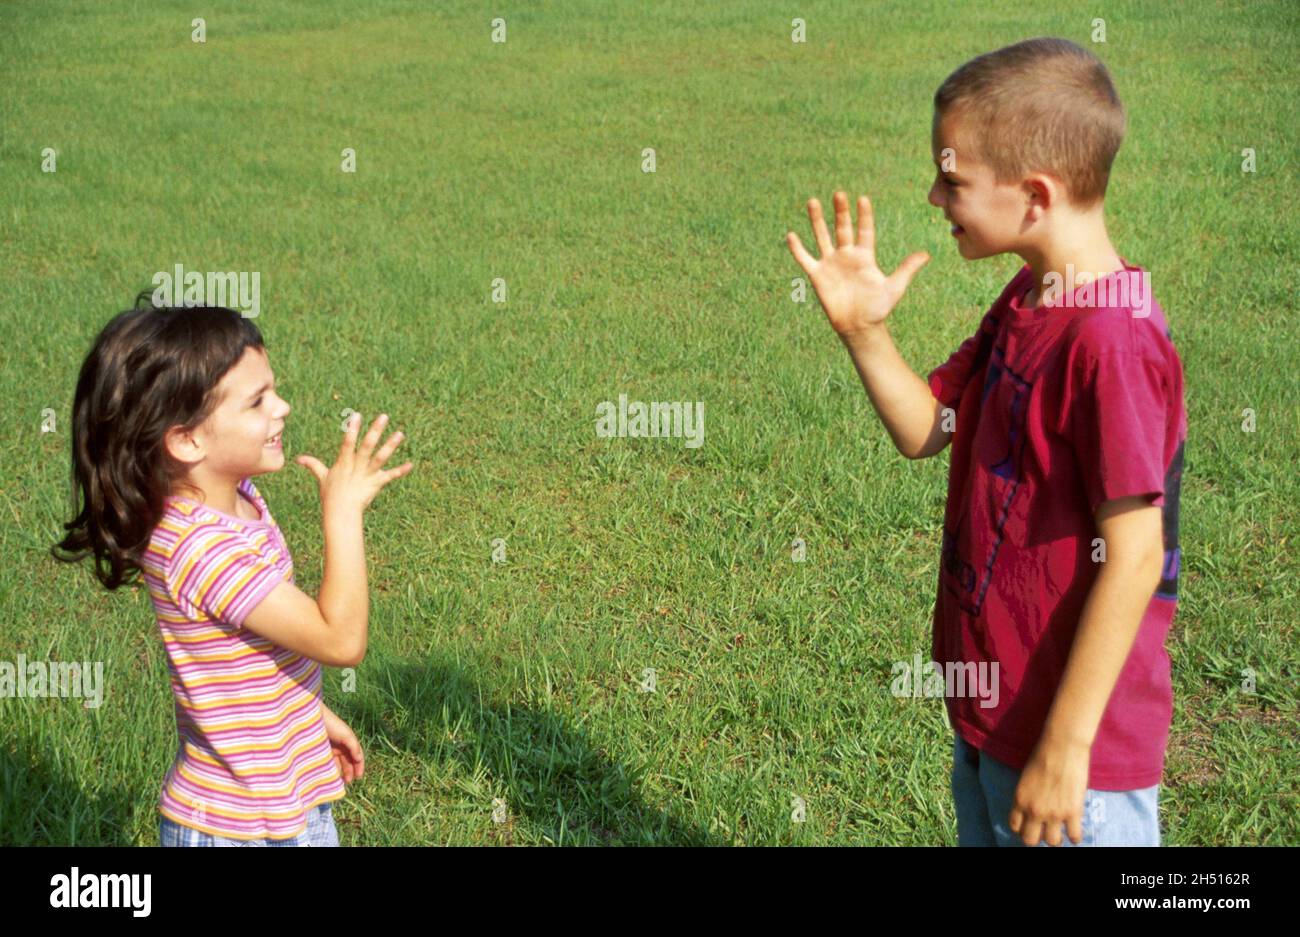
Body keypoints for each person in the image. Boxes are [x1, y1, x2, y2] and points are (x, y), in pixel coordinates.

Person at [787, 37, 1186, 846]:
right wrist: (866, 333)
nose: (934, 195)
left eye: (953, 178)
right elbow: (927, 429)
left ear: (1035, 196)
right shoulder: (1029, 297)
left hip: (1075, 757)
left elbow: (1137, 552)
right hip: (995, 717)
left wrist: (1067, 748)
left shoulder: (1110, 342)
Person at [52, 296, 412, 845]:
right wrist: (342, 513)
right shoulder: (200, 548)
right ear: (186, 438)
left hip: (286, 800)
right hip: (233, 827)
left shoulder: (237, 501)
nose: (283, 407)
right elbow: (339, 640)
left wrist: (306, 720)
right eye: (257, 402)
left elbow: (248, 655)